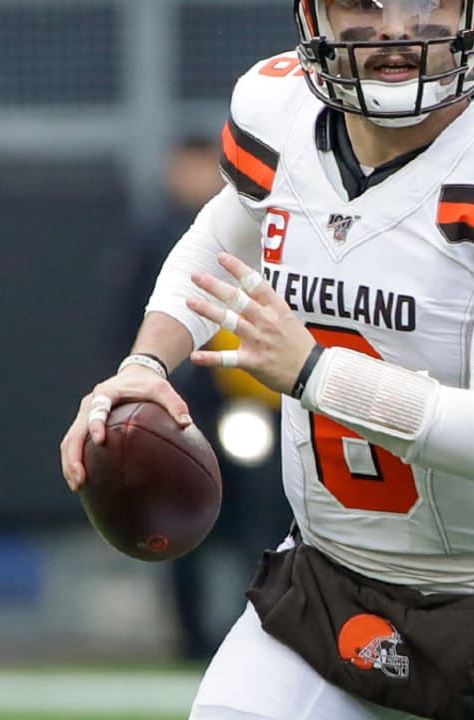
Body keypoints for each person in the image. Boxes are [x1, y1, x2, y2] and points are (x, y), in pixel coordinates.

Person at [62, 1, 474, 717]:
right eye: (361, 3)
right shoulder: (280, 115)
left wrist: (314, 373)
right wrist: (145, 368)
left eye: (424, 0)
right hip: (327, 587)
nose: (395, 27)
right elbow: (217, 243)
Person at [113, 137, 288, 660]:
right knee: (177, 515)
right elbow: (127, 314)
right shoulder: (153, 236)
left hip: (247, 397)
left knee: (263, 516)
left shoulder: (260, 225)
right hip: (184, 399)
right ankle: (189, 634)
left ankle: (255, 625)